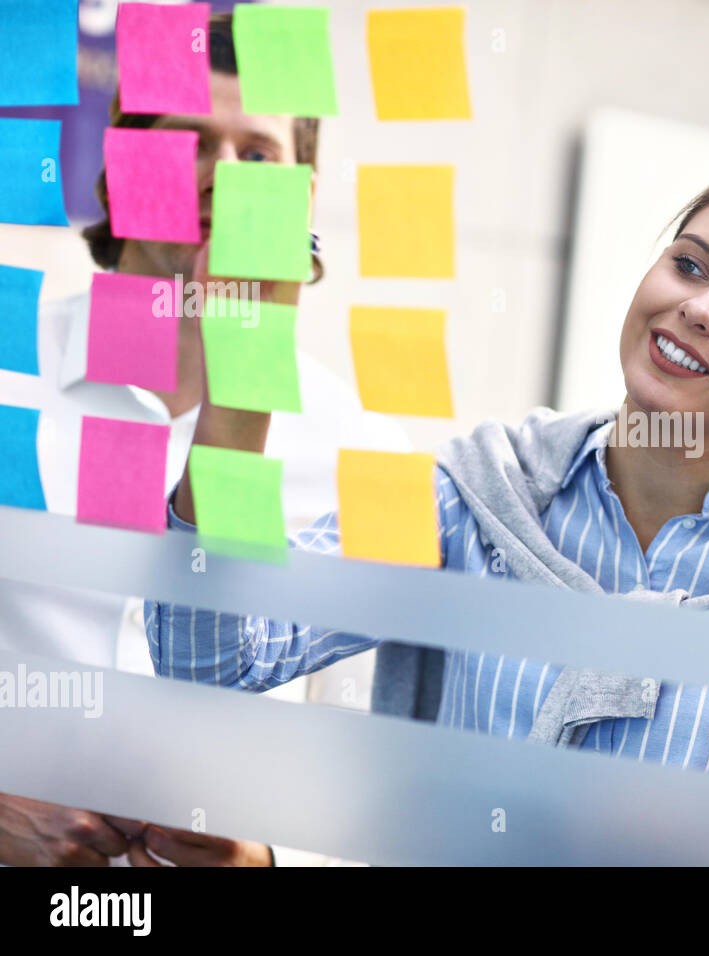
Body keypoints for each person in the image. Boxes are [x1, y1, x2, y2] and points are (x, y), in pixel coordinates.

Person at [146, 160, 709, 813]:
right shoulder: (471, 495)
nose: (698, 307)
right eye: (689, 264)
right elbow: (217, 658)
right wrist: (242, 372)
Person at [0, 14, 401, 867]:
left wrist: (267, 860)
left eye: (258, 154)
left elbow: (376, 774)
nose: (222, 176)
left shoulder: (371, 459)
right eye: (187, 141)